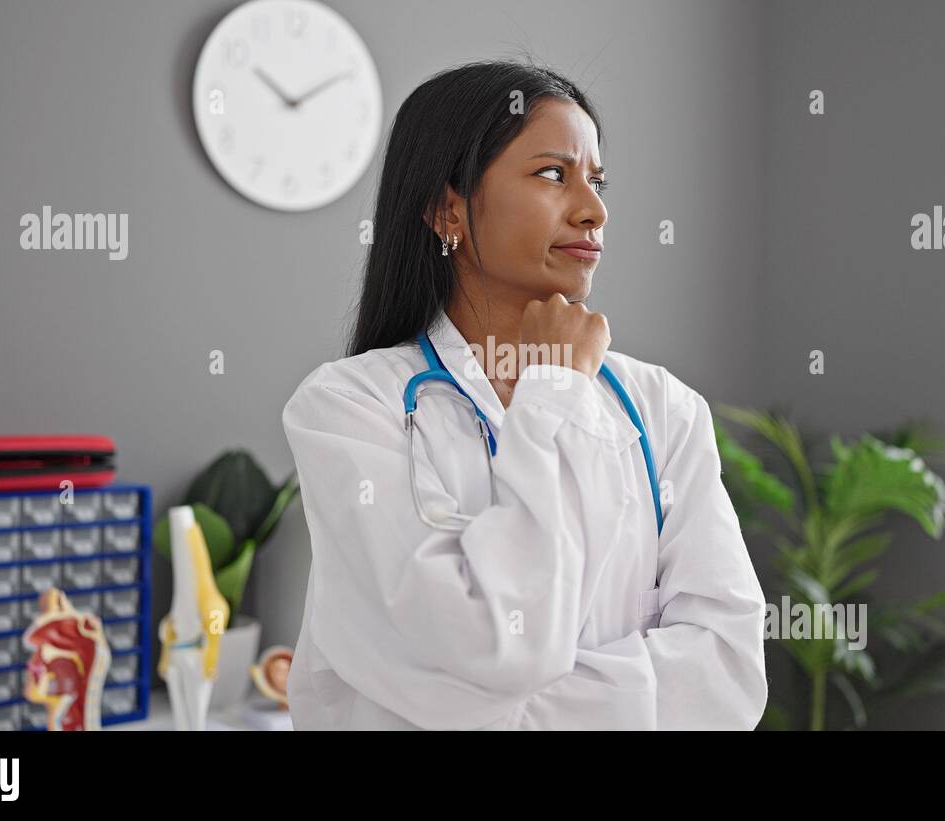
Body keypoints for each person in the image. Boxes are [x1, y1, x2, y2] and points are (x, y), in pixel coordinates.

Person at [281, 59, 767, 730]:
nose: (594, 209)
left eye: (596, 180)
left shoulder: (666, 410)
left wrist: (484, 707)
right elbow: (496, 642)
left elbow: (727, 678)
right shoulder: (347, 410)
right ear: (446, 206)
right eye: (552, 174)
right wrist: (556, 390)